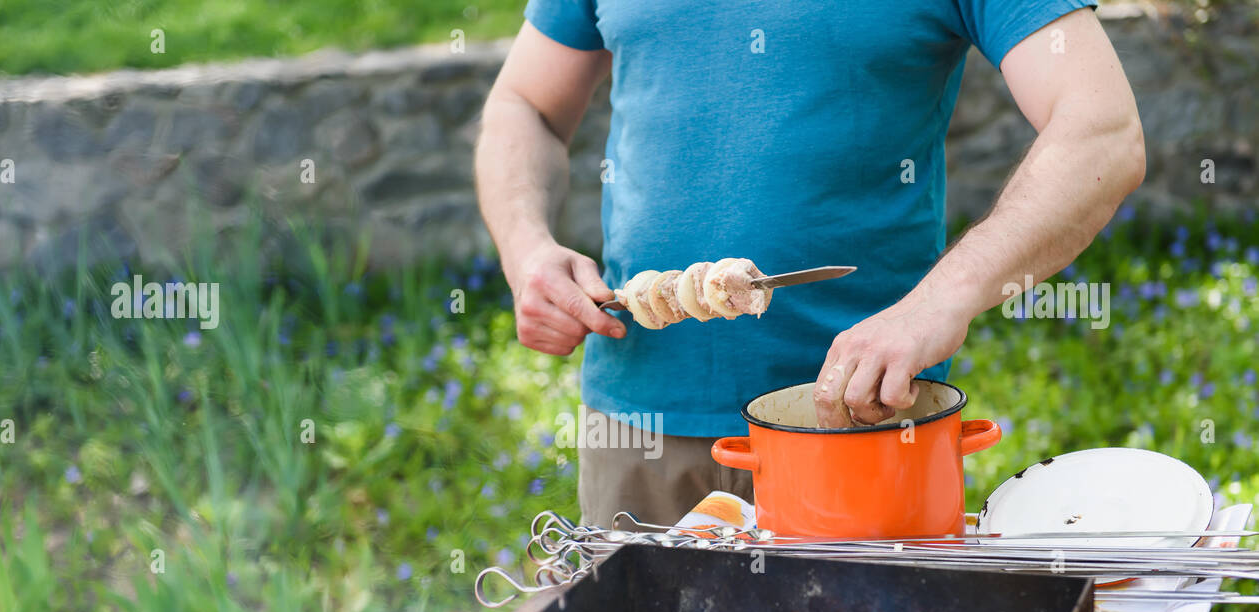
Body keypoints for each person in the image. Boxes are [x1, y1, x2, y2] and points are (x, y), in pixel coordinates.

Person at [475, 2, 1144, 527]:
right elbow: (524, 106)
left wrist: (944, 299)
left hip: (861, 430)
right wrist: (526, 249)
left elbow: (1102, 131)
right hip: (639, 433)